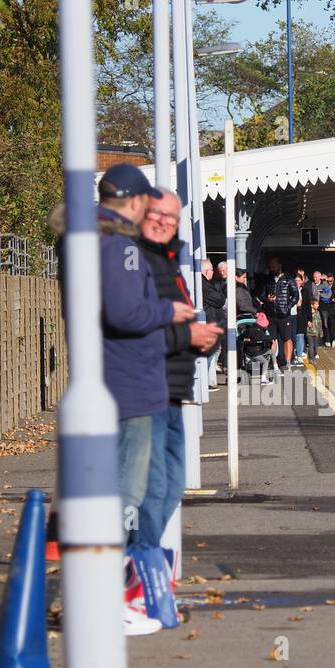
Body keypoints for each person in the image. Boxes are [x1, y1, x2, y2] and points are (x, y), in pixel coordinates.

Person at [56, 163, 195, 635]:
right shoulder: (117, 247)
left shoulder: (85, 240)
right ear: (135, 203)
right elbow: (124, 311)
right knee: (127, 497)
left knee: (126, 495)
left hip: (117, 381)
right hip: (131, 386)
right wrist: (168, 311)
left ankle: (106, 596)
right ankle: (107, 600)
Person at [134, 189, 221, 612]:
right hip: (145, 392)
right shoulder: (135, 260)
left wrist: (197, 342)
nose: (165, 221)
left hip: (173, 391)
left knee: (169, 490)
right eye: (157, 214)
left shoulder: (170, 262)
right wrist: (187, 336)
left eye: (172, 215)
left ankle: (142, 577)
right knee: (151, 494)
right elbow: (130, 326)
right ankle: (135, 582)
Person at [263, 256, 299, 371]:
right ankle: (274, 364)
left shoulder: (288, 279)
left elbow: (295, 295)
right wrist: (267, 299)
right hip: (271, 314)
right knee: (272, 339)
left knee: (287, 338)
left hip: (284, 315)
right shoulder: (268, 280)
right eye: (270, 267)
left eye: (274, 266)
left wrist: (287, 306)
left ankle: (288, 363)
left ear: (279, 266)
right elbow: (261, 294)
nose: (272, 269)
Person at [202, 258, 227, 383]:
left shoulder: (205, 283)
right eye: (212, 270)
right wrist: (221, 296)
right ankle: (203, 382)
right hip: (207, 322)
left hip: (209, 321)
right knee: (209, 352)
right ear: (206, 271)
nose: (214, 272)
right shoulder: (204, 284)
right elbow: (219, 299)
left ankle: (207, 381)